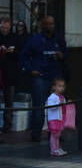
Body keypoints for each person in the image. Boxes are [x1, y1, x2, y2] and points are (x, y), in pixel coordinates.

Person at [20, 15, 67, 143]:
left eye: (52, 24)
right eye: (47, 24)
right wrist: (30, 69)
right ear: (42, 25)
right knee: (39, 107)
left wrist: (61, 55)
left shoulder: (58, 39)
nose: (50, 26)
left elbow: (65, 54)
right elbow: (23, 56)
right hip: (40, 76)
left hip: (55, 77)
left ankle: (56, 132)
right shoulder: (35, 40)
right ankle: (36, 134)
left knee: (56, 107)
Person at [0, 14, 24, 134]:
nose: (5, 30)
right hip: (1, 71)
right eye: (3, 28)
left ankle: (7, 125)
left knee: (9, 100)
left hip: (9, 73)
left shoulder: (15, 38)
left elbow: (20, 54)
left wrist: (11, 52)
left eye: (7, 28)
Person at [44, 77, 68, 157]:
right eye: (59, 86)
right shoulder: (52, 97)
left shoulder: (62, 97)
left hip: (60, 118)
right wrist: (59, 103)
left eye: (63, 86)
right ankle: (53, 149)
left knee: (58, 134)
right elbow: (51, 107)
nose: (61, 88)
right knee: (54, 134)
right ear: (54, 87)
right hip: (54, 119)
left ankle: (57, 147)